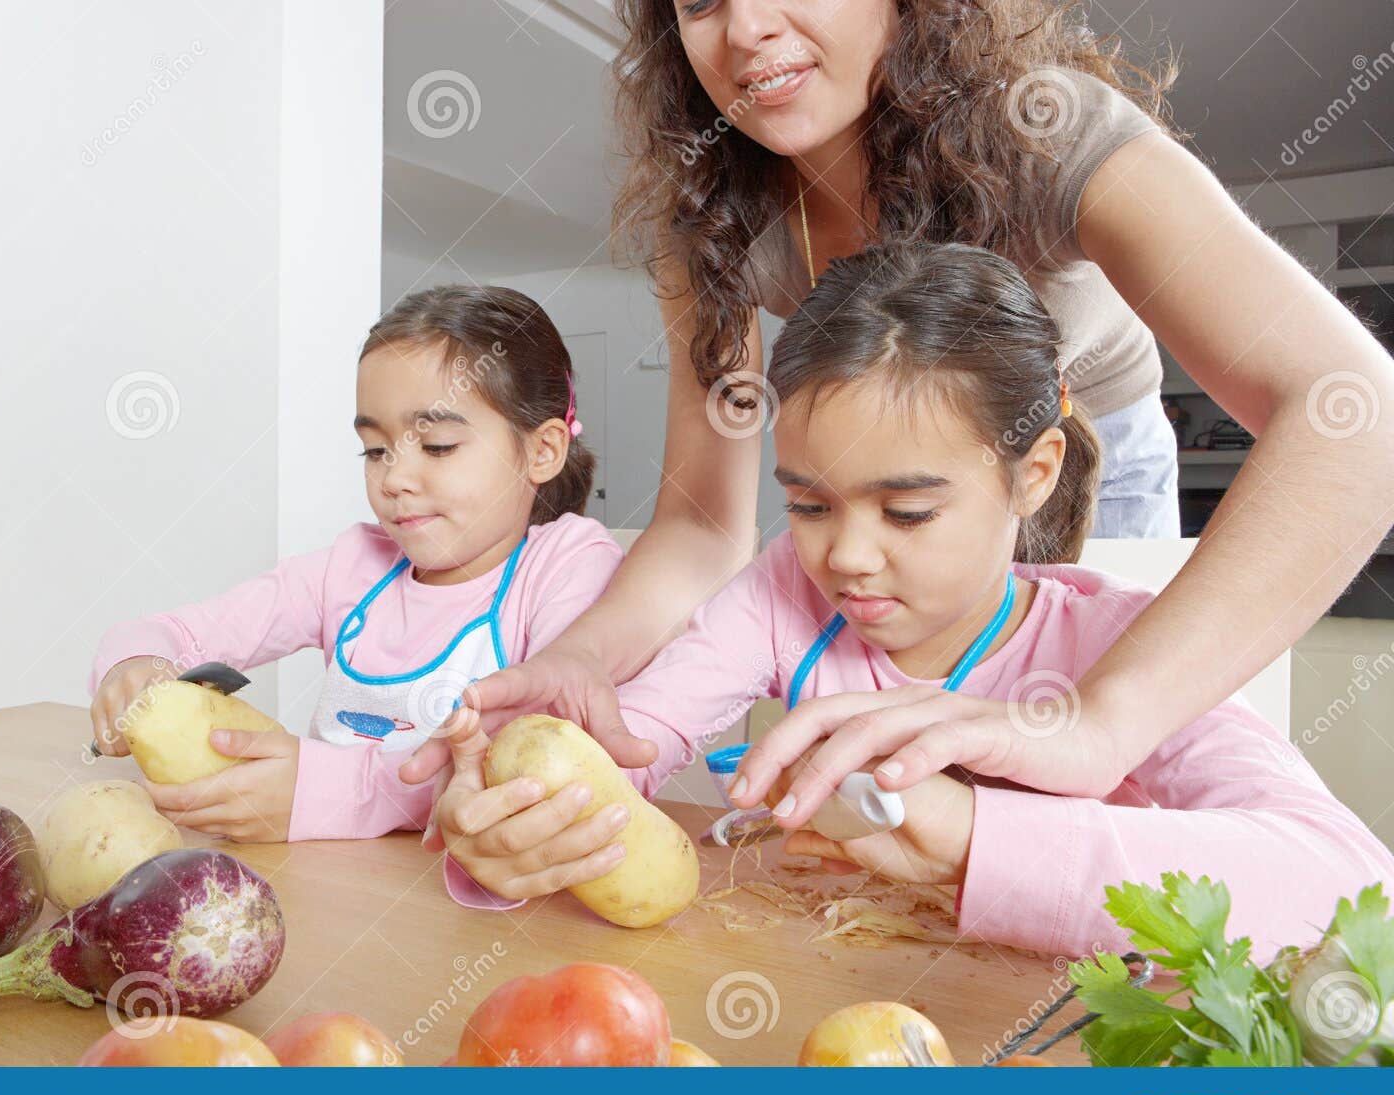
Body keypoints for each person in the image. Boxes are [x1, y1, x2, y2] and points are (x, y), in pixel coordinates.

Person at [402, 1, 1394, 888]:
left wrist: (1101, 721)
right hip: (901, 470)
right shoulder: (712, 215)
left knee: (1093, 789)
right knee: (929, 830)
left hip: (1092, 440)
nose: (743, 26)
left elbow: (1356, 415)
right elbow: (704, 524)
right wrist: (581, 657)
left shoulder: (1043, 131)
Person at [439, 240, 1393, 957]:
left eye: (907, 510)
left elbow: (1356, 892)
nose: (846, 557)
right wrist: (522, 809)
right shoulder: (784, 592)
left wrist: (979, 834)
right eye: (807, 503)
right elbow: (635, 749)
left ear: (1034, 472)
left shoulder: (1127, 648)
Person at [87, 285, 627, 905]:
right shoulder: (351, 568)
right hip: (325, 900)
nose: (394, 478)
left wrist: (329, 792)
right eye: (375, 450)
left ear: (542, 450)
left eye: (438, 446)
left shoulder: (565, 566)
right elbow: (169, 633)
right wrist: (135, 666)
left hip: (467, 916)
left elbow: (539, 772)